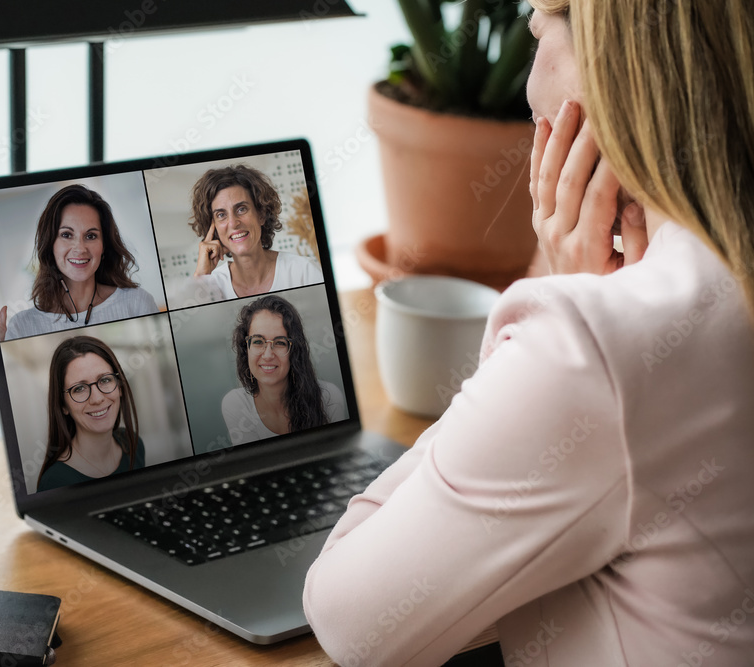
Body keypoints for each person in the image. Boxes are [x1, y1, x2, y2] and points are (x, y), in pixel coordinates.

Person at [303, 2, 754, 665]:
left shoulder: (601, 345)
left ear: (615, 70)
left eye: (542, 28)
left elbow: (348, 620)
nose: (529, 87)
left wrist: (567, 300)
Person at [0, 185, 158, 341]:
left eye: (90, 236)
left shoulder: (138, 303)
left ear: (104, 246)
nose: (80, 248)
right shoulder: (22, 326)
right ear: (50, 244)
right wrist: (3, 350)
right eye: (67, 235)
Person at [222, 295, 347, 446]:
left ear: (294, 351)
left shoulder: (329, 399)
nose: (268, 355)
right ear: (245, 349)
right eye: (258, 342)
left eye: (280, 342)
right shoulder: (236, 404)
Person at [187, 164, 323, 302]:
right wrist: (201, 276)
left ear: (261, 214)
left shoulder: (303, 271)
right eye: (221, 215)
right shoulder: (210, 285)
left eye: (241, 209)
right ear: (214, 227)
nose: (233, 223)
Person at [37, 336, 145, 492]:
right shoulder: (55, 481)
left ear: (119, 387)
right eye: (79, 388)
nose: (97, 398)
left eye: (105, 380)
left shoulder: (133, 443)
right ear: (63, 405)